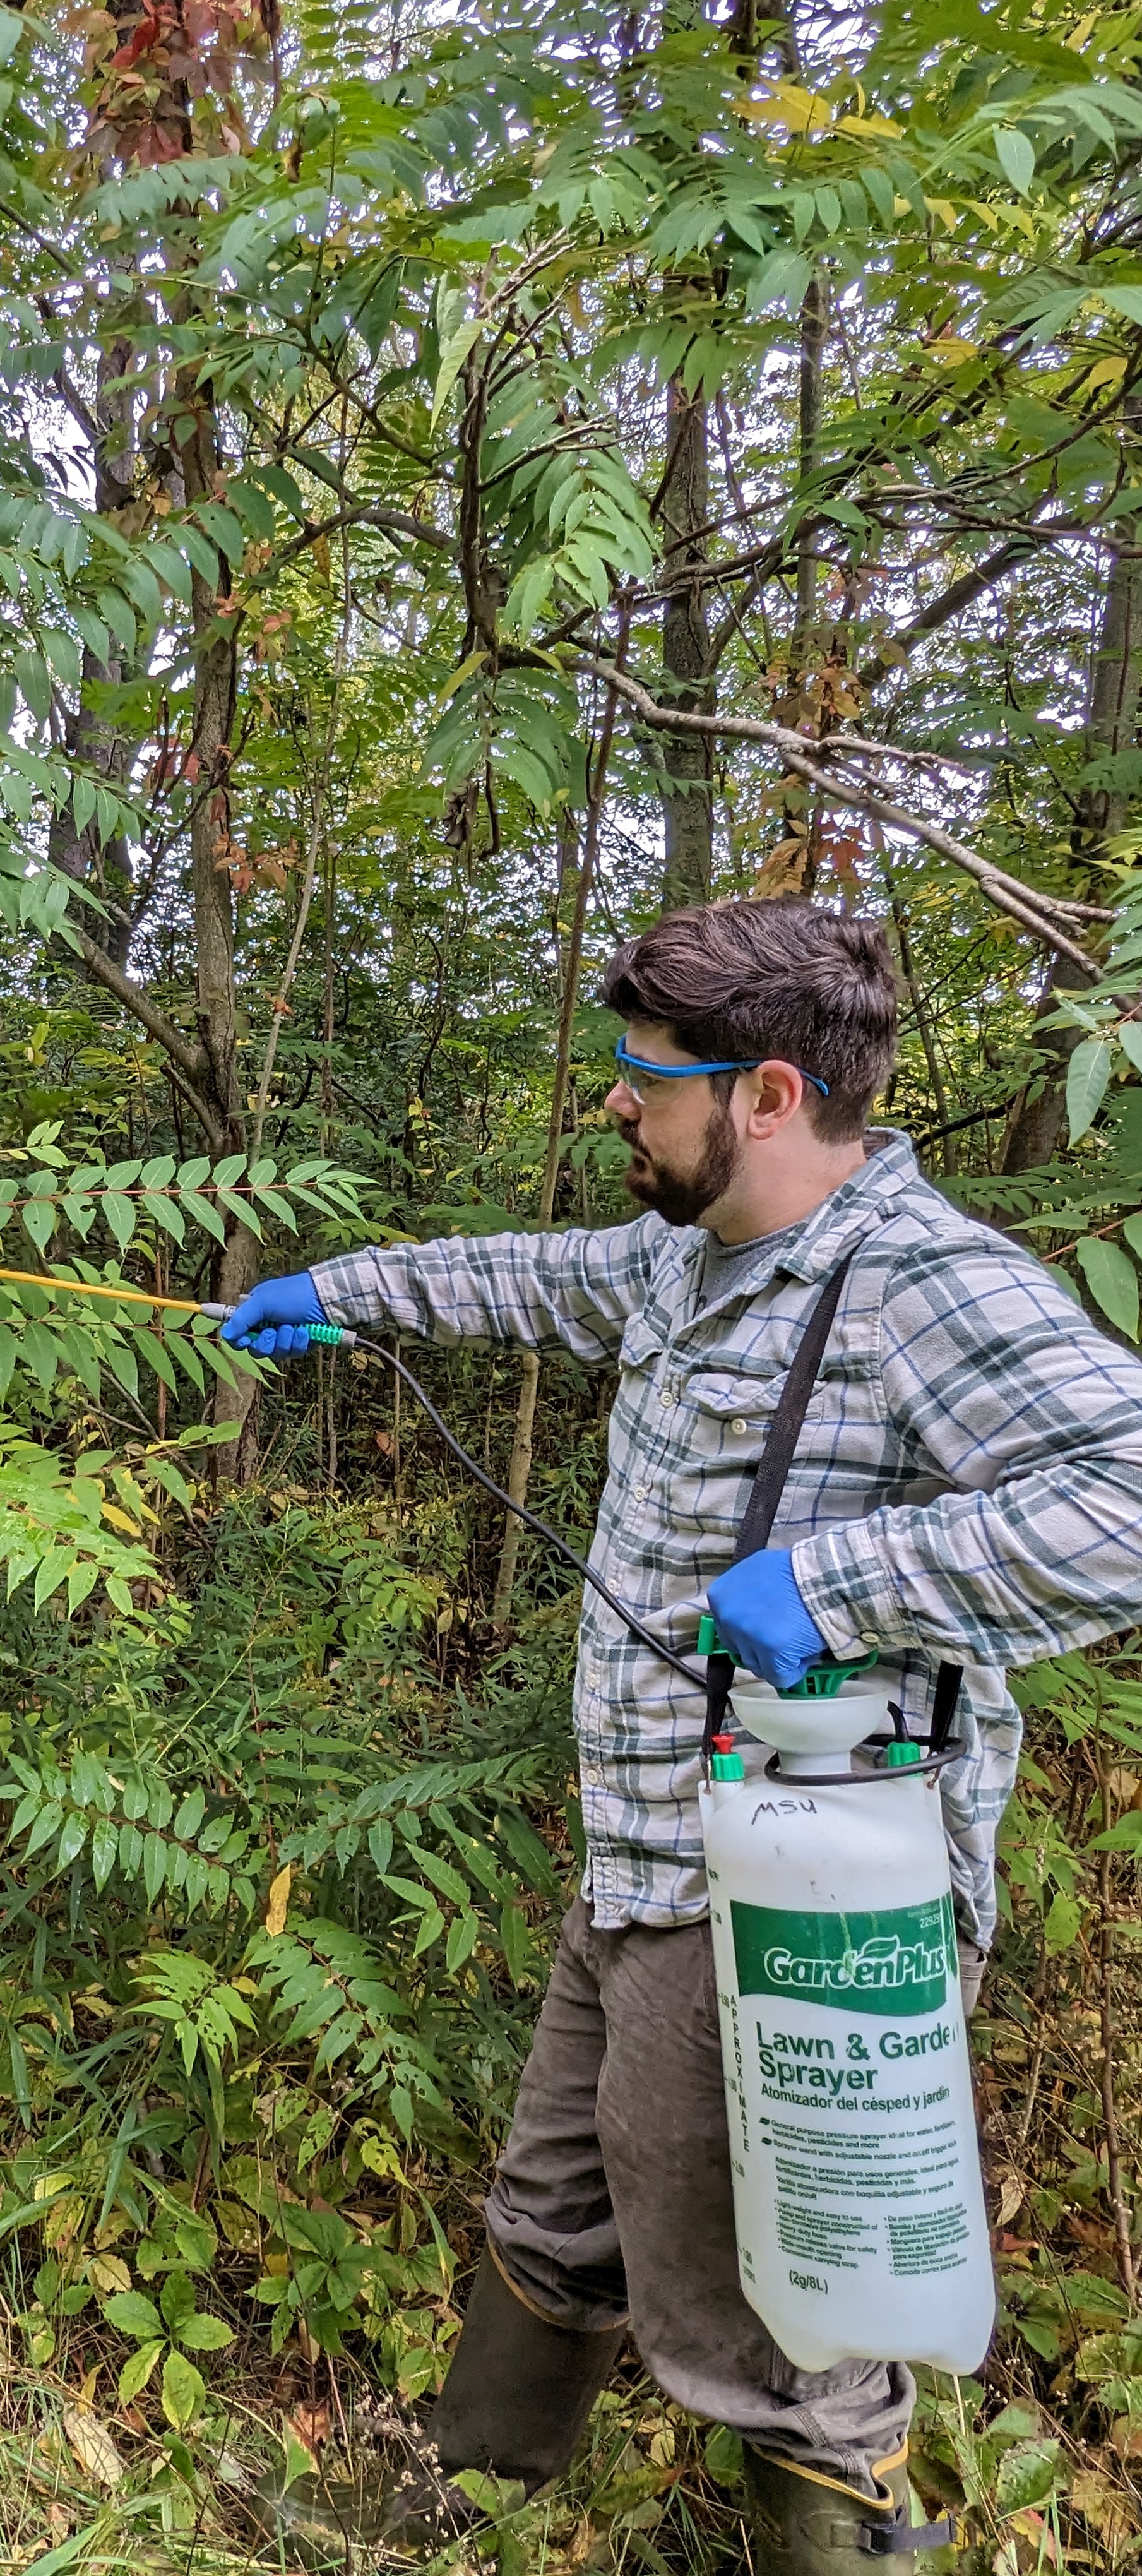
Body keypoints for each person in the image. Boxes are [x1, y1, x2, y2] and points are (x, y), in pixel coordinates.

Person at [223, 898, 1142, 2576]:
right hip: (654, 1849)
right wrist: (342, 1291)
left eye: (644, 1079)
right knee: (560, 2201)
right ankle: (458, 2504)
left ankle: (836, 2541)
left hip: (801, 1901)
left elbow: (1129, 1501)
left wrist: (849, 1577)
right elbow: (537, 1277)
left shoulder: (918, 1285)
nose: (616, 1107)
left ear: (769, 1093)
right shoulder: (691, 1247)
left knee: (787, 2315)